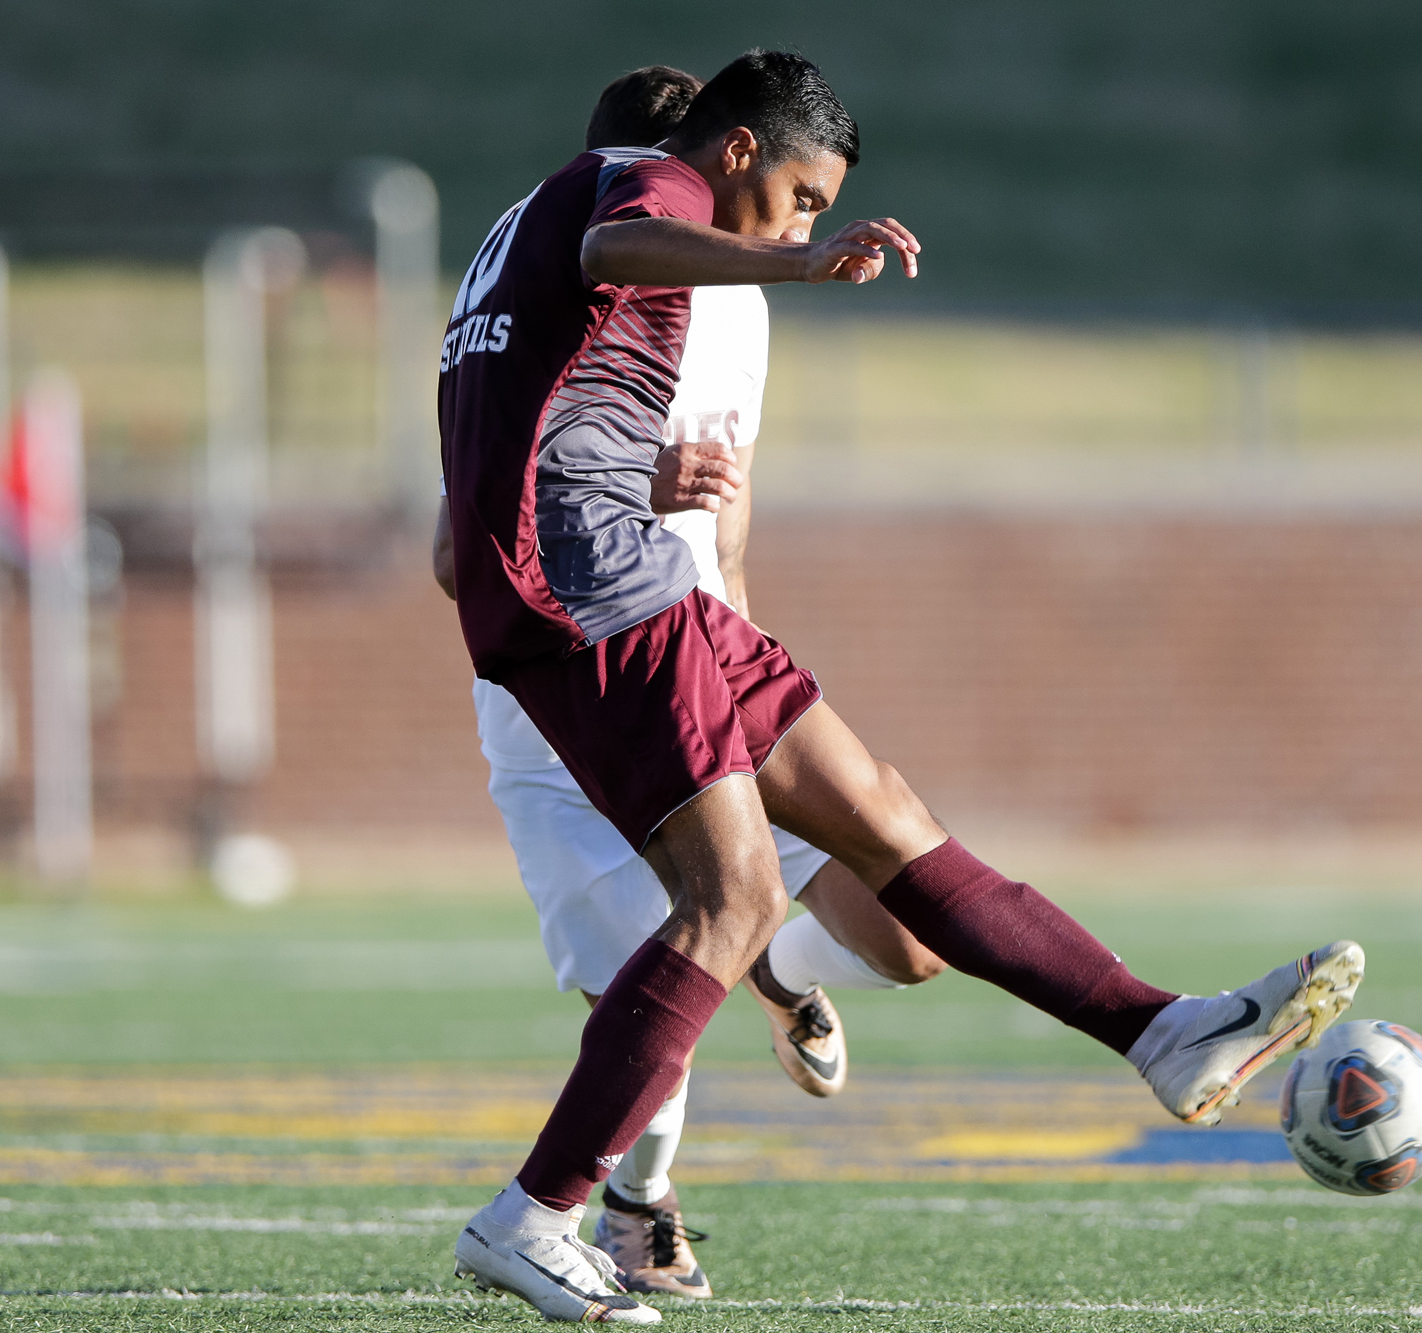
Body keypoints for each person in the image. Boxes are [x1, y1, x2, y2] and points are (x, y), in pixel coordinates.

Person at [440, 50, 1366, 1323]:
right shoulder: (647, 184)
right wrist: (795, 264)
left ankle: (1164, 1032)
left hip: (641, 577)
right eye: (800, 198)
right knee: (733, 900)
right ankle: (537, 1214)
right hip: (591, 581)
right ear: (735, 151)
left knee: (880, 813)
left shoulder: (537, 220)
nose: (800, 225)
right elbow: (619, 245)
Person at [430, 64, 946, 1301]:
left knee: (910, 936)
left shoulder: (739, 296)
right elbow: (459, 550)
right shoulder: (556, 271)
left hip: (697, 670)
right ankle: (630, 1206)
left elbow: (732, 522)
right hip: (570, 693)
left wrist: (757, 682)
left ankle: (784, 971)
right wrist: (617, 489)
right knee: (661, 988)